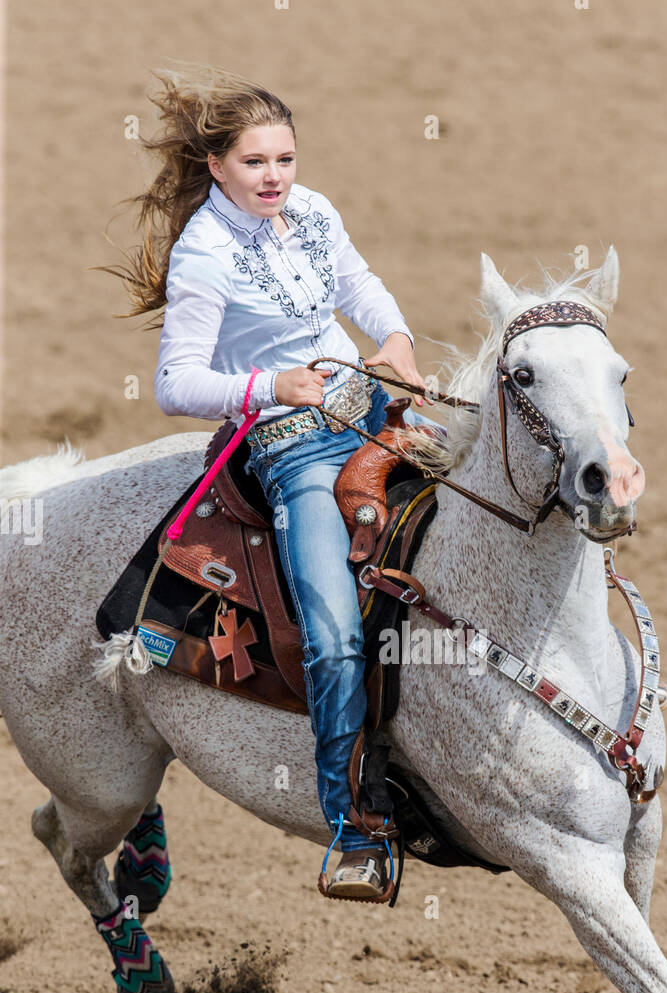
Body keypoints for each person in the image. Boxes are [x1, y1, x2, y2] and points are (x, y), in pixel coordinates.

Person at [99, 64, 437, 899]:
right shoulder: (205, 254)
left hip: (373, 411)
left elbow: (358, 283)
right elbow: (174, 385)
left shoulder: (311, 211)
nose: (275, 177)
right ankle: (353, 826)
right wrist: (267, 388)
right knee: (331, 634)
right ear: (216, 166)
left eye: (284, 158)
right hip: (293, 450)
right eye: (255, 163)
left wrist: (392, 337)